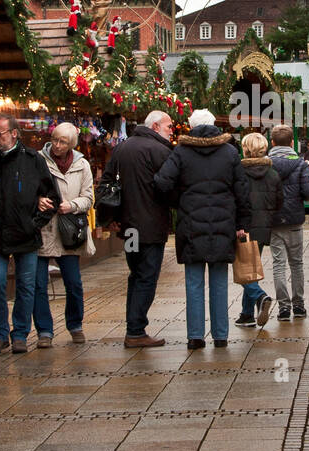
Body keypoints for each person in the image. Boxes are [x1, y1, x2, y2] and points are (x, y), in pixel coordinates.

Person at [154, 109, 250, 348]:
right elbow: (242, 191)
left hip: (190, 224)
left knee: (193, 282)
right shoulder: (229, 152)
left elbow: (162, 183)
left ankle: (195, 336)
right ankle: (220, 336)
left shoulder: (181, 152)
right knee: (219, 281)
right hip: (223, 223)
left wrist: (181, 200)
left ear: (191, 126)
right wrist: (242, 223)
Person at [0, 115, 56, 354]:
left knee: (26, 286)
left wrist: (34, 222)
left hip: (25, 235)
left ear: (14, 134)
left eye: (0, 134)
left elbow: (51, 197)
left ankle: (20, 333)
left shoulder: (32, 160)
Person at [103, 110, 174, 348]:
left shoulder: (122, 148)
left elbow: (107, 183)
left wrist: (112, 216)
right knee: (147, 277)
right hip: (151, 228)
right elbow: (170, 189)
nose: (171, 130)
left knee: (135, 275)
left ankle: (134, 327)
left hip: (129, 228)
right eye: (168, 126)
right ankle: (135, 331)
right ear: (154, 126)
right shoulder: (161, 151)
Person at [33, 122, 94, 347]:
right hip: (44, 230)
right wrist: (37, 201)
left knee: (74, 283)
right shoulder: (37, 160)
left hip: (69, 231)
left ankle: (75, 325)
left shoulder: (82, 165)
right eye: (55, 139)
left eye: (63, 142)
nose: (57, 145)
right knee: (38, 284)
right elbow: (26, 190)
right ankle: (44, 331)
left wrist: (72, 205)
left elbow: (88, 197)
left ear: (72, 145)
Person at [268, 124, 309, 320]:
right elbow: (308, 192)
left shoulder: (266, 163)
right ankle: (299, 305)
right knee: (296, 264)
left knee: (278, 264)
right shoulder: (300, 163)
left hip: (274, 220)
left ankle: (283, 308)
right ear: (292, 142)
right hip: (294, 219)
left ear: (272, 142)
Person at [238, 132, 282, 327]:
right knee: (251, 269)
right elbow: (279, 201)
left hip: (243, 228)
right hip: (264, 227)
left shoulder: (239, 173)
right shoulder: (273, 174)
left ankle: (260, 296)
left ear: (246, 150)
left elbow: (236, 201)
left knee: (244, 269)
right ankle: (246, 314)